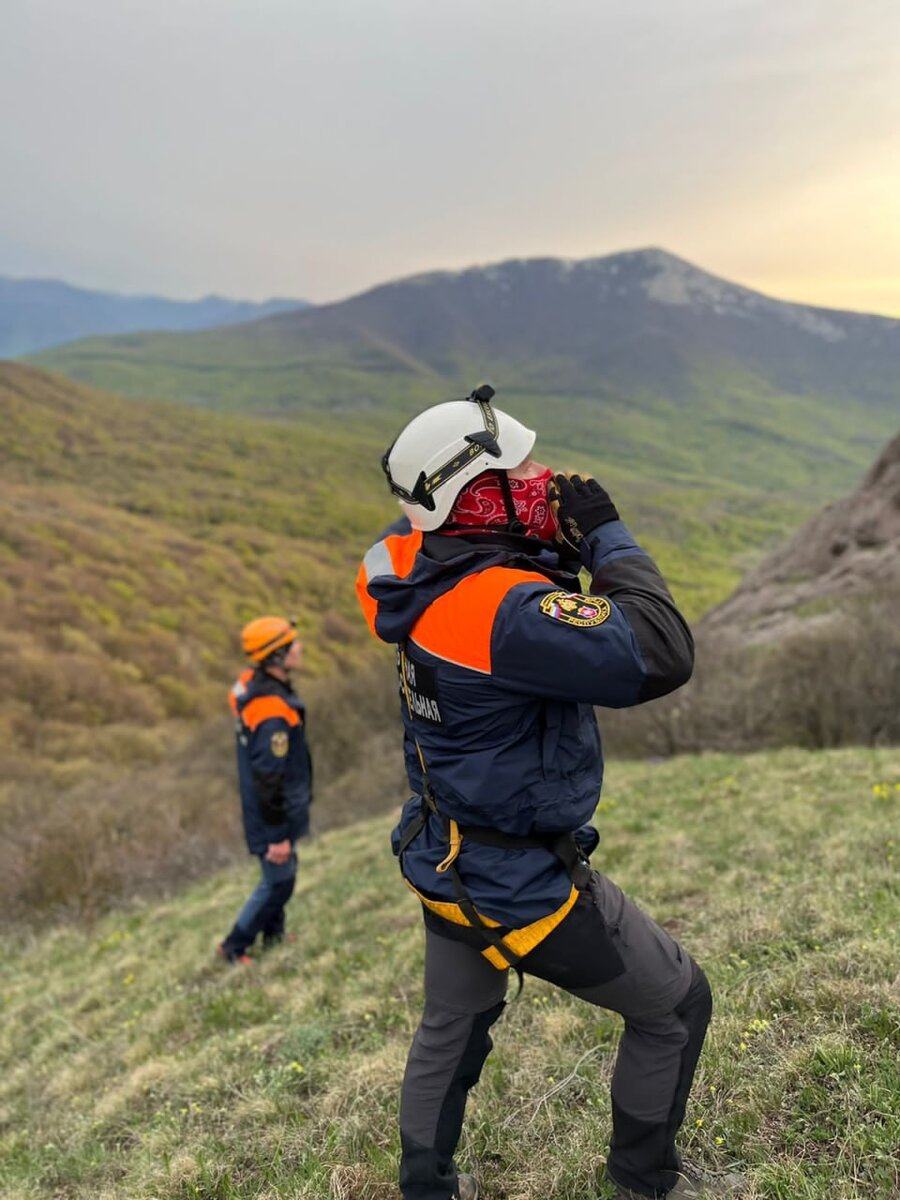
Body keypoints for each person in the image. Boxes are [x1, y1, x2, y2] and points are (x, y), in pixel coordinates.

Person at [356, 386, 741, 1200]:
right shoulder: (504, 616)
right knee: (675, 1004)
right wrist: (602, 530)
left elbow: (431, 538)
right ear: (476, 495)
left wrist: (518, 536)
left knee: (451, 1028)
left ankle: (426, 1189)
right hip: (519, 883)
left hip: (443, 852)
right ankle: (645, 1183)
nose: (543, 476)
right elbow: (662, 651)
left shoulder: (400, 573)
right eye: (519, 468)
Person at [218, 615, 313, 964]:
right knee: (279, 881)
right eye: (292, 644)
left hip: (270, 808)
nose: (300, 648)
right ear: (276, 657)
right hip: (271, 812)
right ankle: (234, 946)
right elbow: (269, 778)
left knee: (280, 876)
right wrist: (276, 835)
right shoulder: (271, 710)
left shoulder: (254, 686)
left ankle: (273, 936)